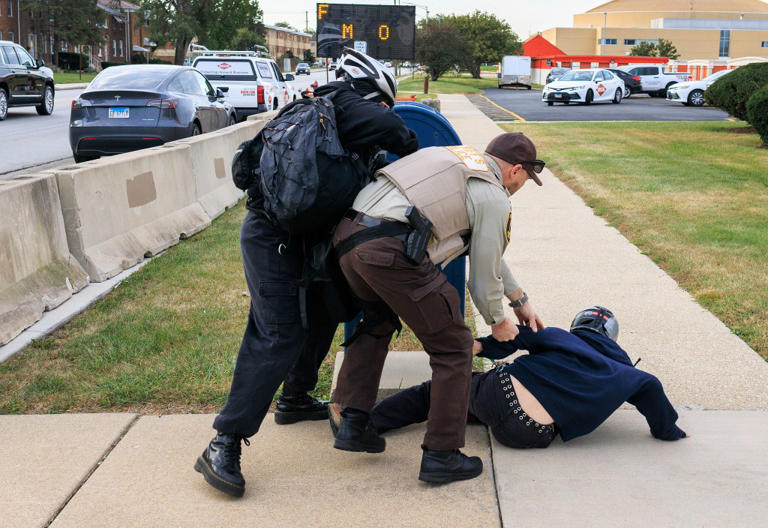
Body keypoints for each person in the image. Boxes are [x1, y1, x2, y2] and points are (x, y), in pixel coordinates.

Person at [194, 48, 419, 498]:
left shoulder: (327, 123)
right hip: (272, 240)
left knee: (324, 310)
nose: (383, 112)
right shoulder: (346, 106)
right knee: (277, 333)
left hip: (299, 241)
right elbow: (399, 134)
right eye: (382, 102)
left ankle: (294, 398)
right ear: (369, 92)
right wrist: (403, 140)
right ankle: (224, 442)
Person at [330, 132, 546, 484]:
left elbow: (485, 251)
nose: (520, 187)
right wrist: (498, 321)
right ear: (515, 170)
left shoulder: (454, 159)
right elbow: (483, 274)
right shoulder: (494, 194)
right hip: (391, 250)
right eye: (525, 180)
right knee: (455, 347)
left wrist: (519, 300)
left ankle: (354, 423)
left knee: (379, 320)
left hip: (349, 240)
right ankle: (442, 455)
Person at [339, 306, 688, 449]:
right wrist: (668, 430)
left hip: (500, 394)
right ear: (612, 340)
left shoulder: (561, 336)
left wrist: (476, 347)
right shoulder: (628, 374)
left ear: (579, 327)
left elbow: (515, 338)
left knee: (436, 393)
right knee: (471, 406)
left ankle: (366, 423)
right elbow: (652, 388)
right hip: (529, 435)